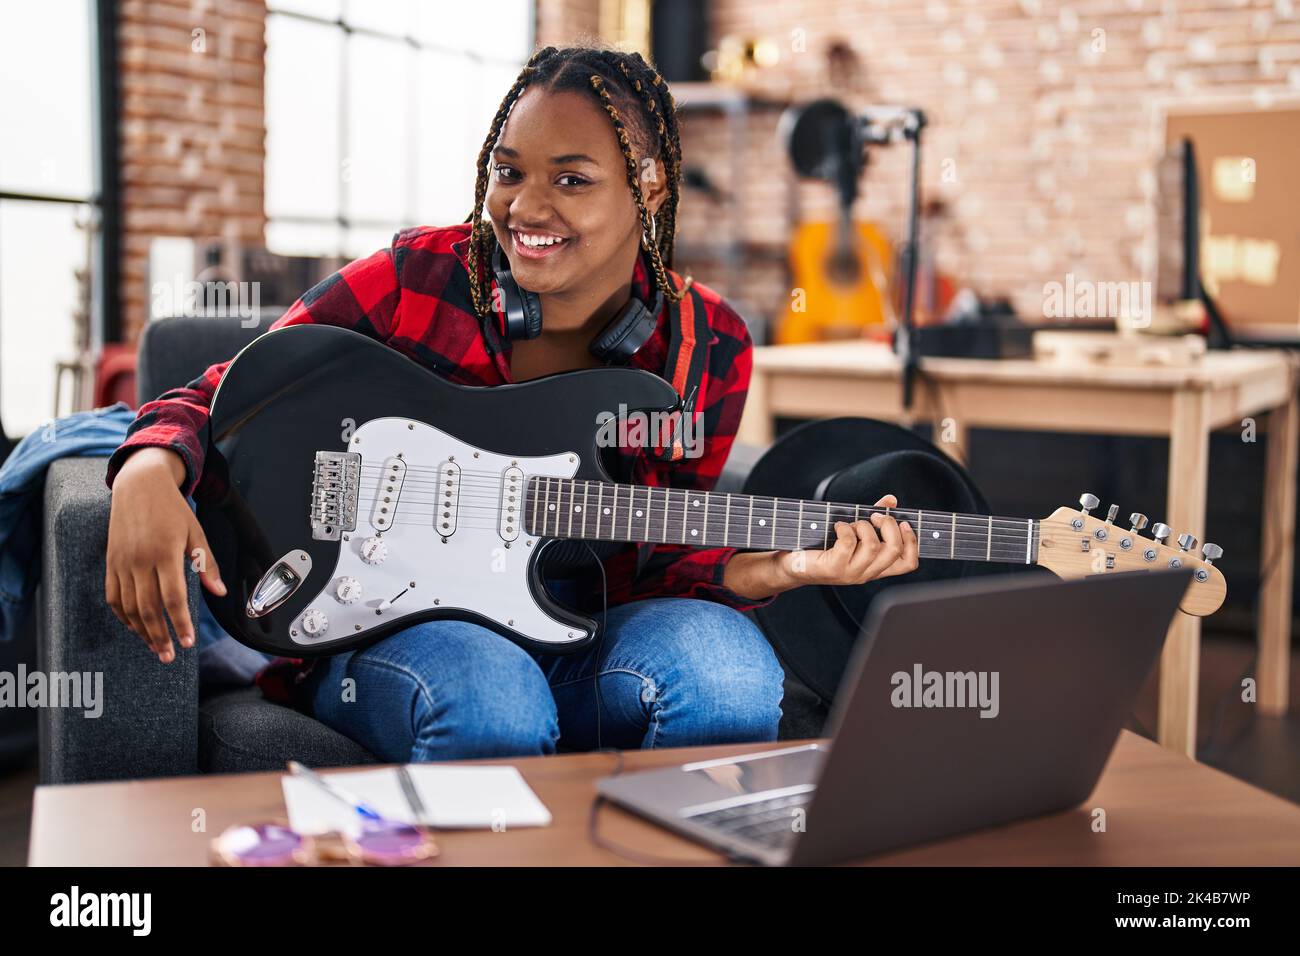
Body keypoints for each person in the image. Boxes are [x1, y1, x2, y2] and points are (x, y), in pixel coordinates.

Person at [104, 45, 919, 763]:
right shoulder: (416, 278)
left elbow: (659, 559)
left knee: (732, 671)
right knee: (494, 697)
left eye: (572, 179)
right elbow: (235, 388)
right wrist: (148, 466)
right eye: (508, 171)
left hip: (578, 633)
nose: (526, 208)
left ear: (650, 183)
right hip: (387, 631)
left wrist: (790, 564)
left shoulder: (710, 345)